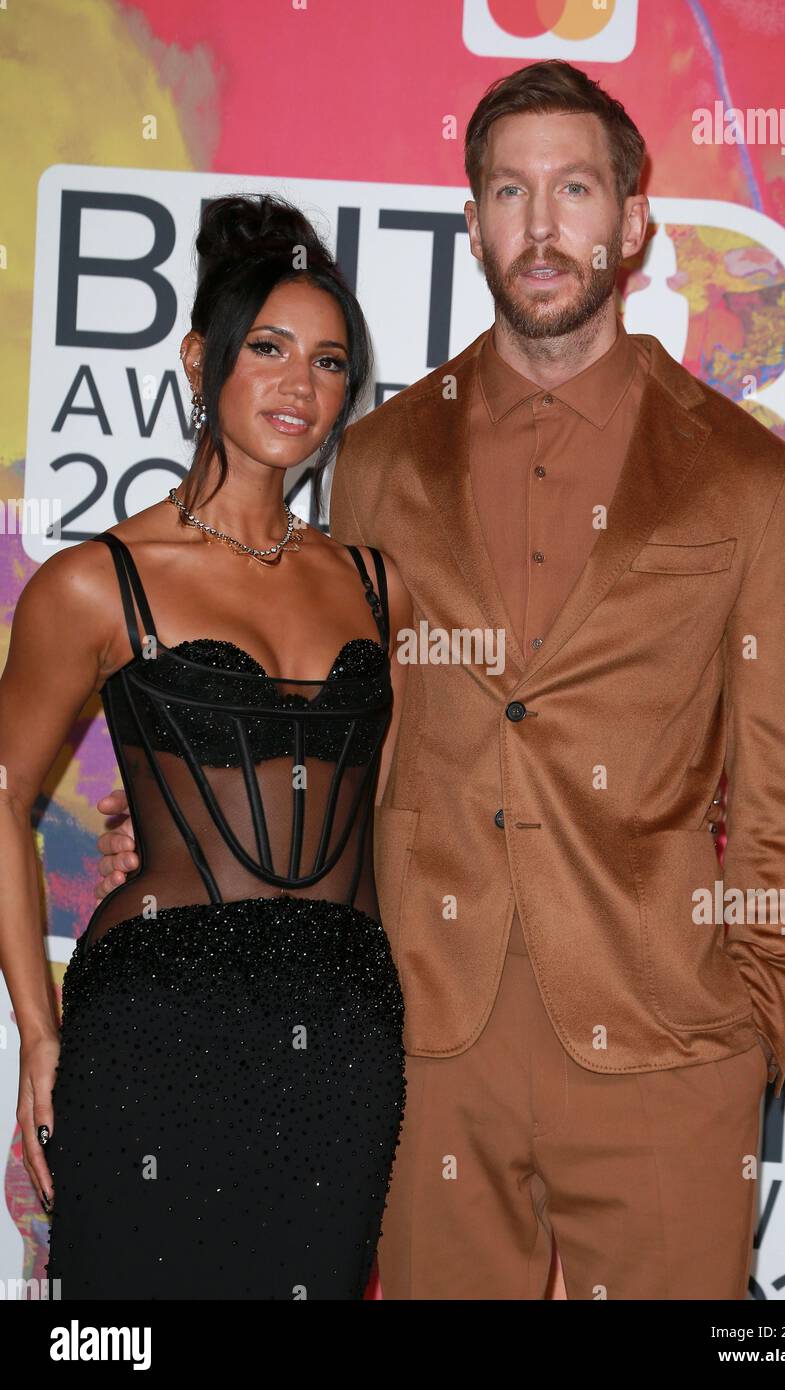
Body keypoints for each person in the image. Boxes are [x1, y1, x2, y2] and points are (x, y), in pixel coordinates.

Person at [94, 62, 785, 1300]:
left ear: (634, 218)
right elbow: (345, 713)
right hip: (427, 1046)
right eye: (509, 191)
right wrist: (188, 825)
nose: (542, 227)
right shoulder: (377, 454)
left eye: (575, 189)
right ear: (475, 218)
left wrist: (749, 1037)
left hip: (666, 1054)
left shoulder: (744, 480)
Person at [0, 193, 413, 1299]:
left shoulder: (377, 584)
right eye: (269, 348)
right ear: (199, 357)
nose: (300, 384)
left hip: (342, 1032)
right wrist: (39, 1038)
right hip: (156, 1025)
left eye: (330, 362)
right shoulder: (96, 581)